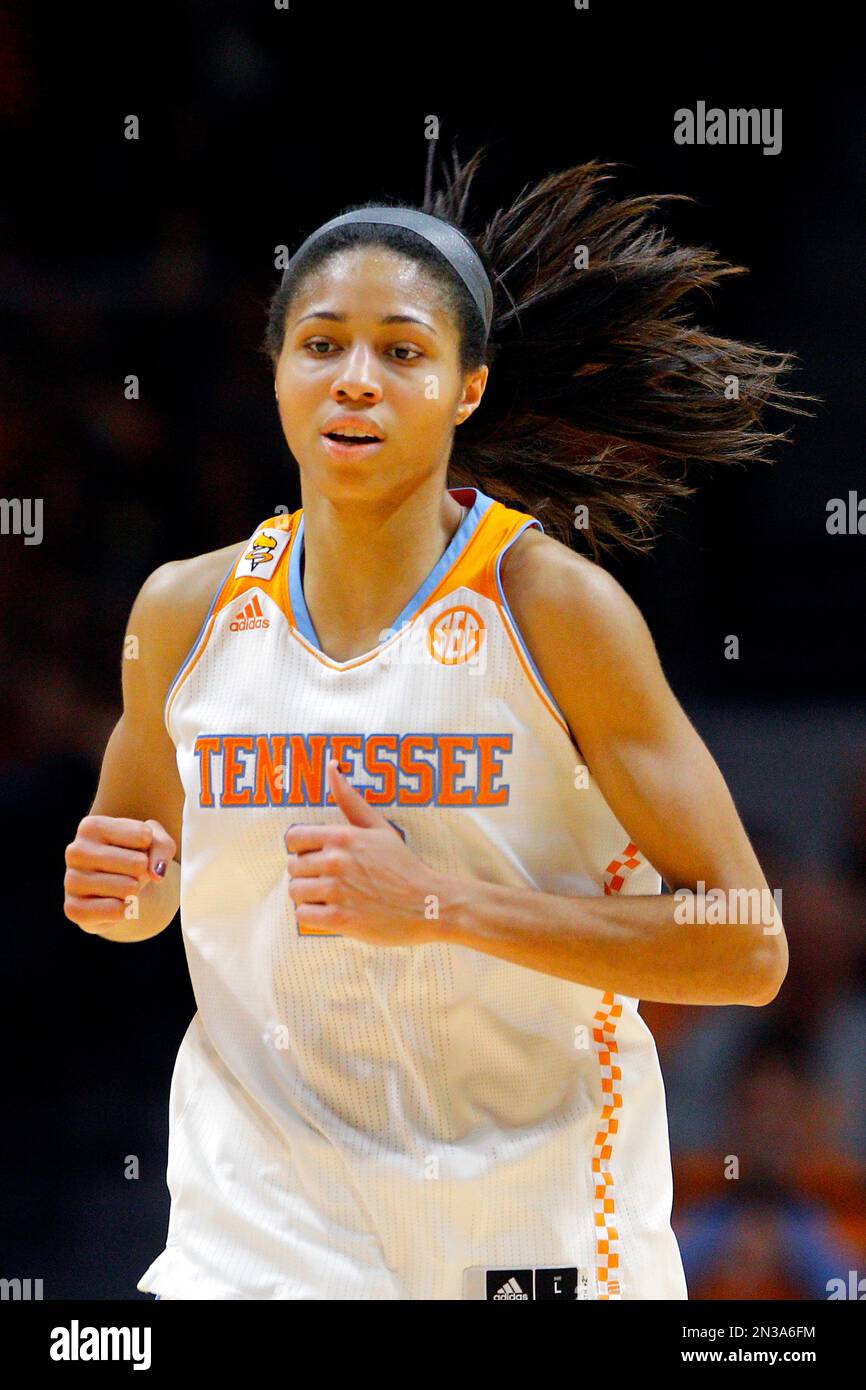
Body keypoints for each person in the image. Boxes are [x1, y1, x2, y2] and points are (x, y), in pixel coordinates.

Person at [63, 144, 809, 1300]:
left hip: (523, 1217)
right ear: (275, 372)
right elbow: (139, 889)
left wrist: (435, 904)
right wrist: (122, 892)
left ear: (466, 389)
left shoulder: (551, 608)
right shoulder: (182, 613)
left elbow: (744, 946)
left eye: (400, 351)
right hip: (259, 1230)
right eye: (321, 344)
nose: (354, 378)